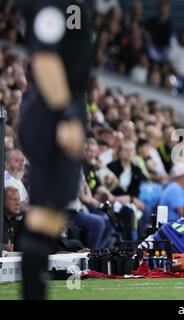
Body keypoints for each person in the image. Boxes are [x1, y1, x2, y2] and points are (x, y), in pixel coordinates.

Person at [15, 0, 94, 300]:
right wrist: (66, 115)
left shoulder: (71, 6)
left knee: (50, 217)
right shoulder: (53, 4)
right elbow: (45, 58)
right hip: (52, 112)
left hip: (56, 108)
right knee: (45, 214)